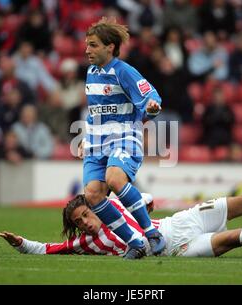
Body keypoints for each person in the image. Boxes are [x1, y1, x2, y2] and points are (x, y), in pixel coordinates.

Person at [0, 193, 242, 257]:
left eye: (85, 215)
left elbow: (144, 198)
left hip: (179, 223)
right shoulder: (88, 245)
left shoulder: (112, 203)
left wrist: (145, 203)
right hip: (179, 250)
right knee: (237, 238)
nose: (84, 224)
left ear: (94, 208)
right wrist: (20, 243)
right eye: (78, 223)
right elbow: (48, 249)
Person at [78, 17, 165, 259]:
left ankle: (152, 233)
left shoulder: (124, 71)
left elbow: (151, 97)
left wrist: (151, 107)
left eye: (93, 45)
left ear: (110, 47)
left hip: (124, 137)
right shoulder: (91, 72)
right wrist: (88, 138)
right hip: (96, 143)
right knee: (93, 195)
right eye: (87, 44)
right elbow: (97, 111)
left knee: (114, 179)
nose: (87, 50)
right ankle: (134, 242)